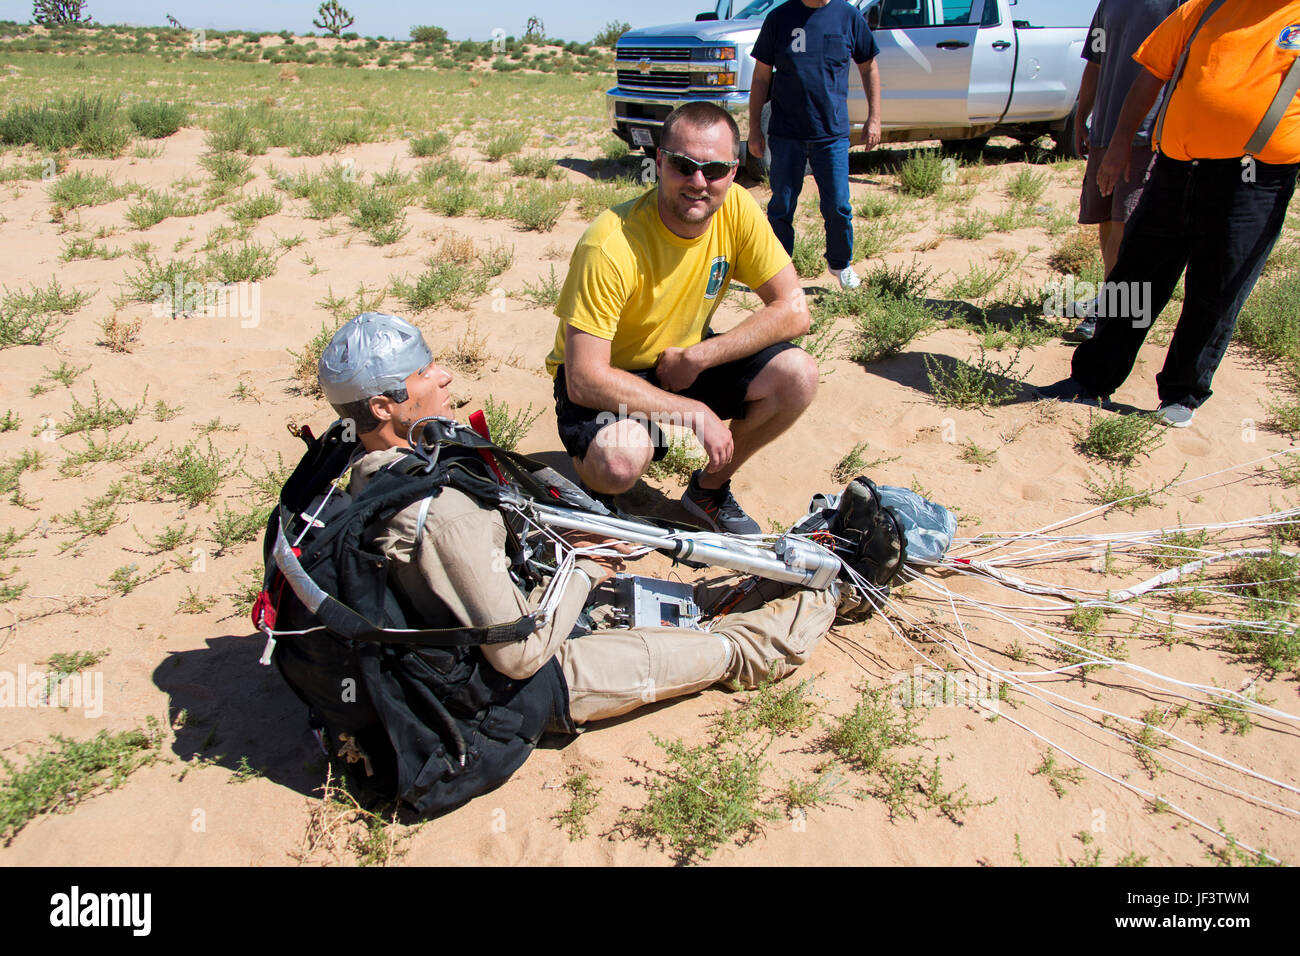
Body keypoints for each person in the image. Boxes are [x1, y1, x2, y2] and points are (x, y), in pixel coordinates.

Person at [314, 312, 838, 801]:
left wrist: (573, 563)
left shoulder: (365, 466)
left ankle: (775, 582)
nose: (444, 376)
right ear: (383, 406)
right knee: (736, 650)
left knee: (688, 601)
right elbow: (518, 654)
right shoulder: (442, 512)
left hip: (497, 616)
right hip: (530, 682)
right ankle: (836, 588)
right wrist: (587, 567)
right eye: (425, 371)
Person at [546, 101, 819, 535]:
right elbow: (584, 377)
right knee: (619, 460)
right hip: (608, 378)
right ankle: (596, 491)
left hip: (680, 360)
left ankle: (708, 492)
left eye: (713, 170)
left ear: (733, 170)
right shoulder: (610, 242)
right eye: (683, 165)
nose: (698, 182)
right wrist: (693, 413)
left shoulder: (738, 210)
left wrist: (699, 358)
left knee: (797, 374)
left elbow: (794, 309)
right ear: (658, 162)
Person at [1037, 0, 1300, 428]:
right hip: (1176, 168)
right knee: (1135, 277)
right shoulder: (1203, 8)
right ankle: (1090, 380)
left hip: (1257, 181)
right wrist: (1121, 140)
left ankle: (1182, 394)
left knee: (1216, 289)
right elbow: (1151, 75)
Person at [1066, 0, 1187, 342]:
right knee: (1106, 219)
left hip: (1148, 131)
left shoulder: (1180, 3)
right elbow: (1096, 60)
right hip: (1105, 128)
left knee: (1126, 220)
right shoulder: (1109, 3)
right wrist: (1080, 116)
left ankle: (1114, 313)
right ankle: (1112, 298)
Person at [747, 0, 881, 290]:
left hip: (831, 133)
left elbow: (869, 66)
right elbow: (760, 78)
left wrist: (874, 118)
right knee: (781, 206)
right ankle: (779, 271)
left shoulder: (848, 16)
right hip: (785, 133)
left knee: (838, 206)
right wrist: (754, 128)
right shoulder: (779, 18)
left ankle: (840, 264)